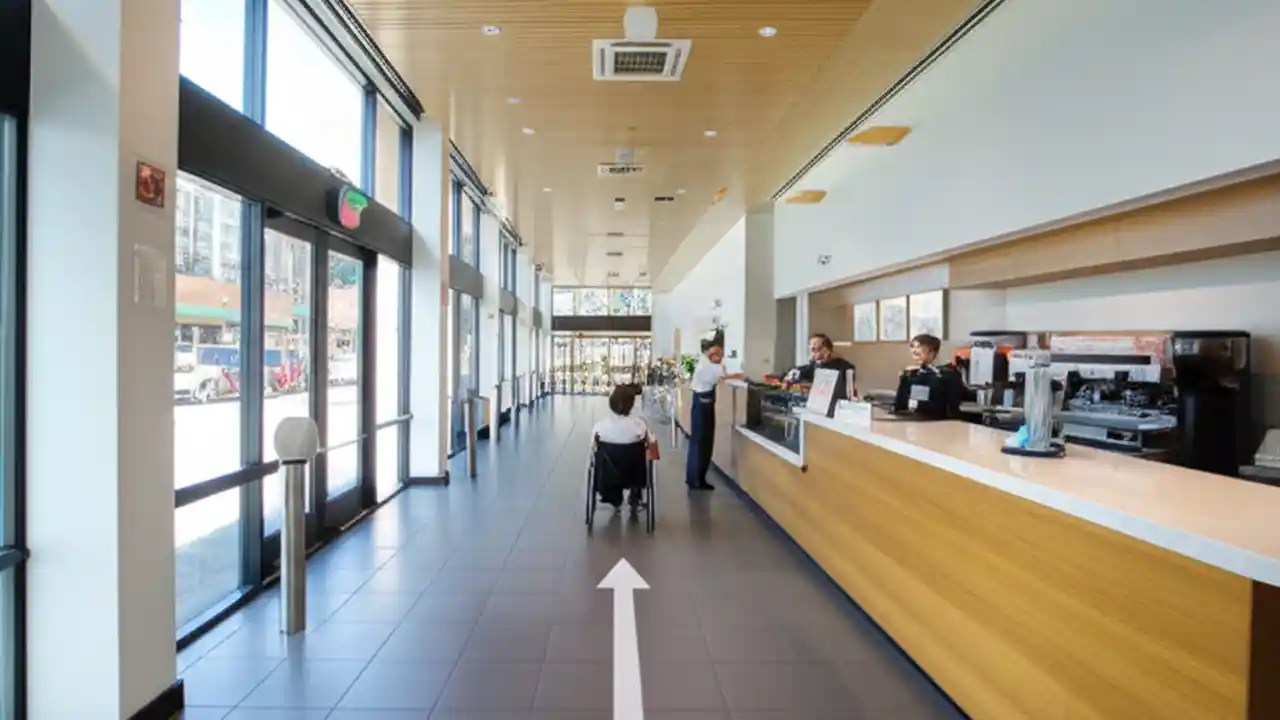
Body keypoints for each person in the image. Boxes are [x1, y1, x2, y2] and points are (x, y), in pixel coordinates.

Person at [686, 339, 745, 490]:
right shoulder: (709, 366)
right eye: (720, 354)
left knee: (697, 443)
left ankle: (693, 478)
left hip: (700, 405)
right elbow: (727, 375)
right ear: (712, 353)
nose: (721, 357)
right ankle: (698, 480)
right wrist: (742, 375)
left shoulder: (704, 363)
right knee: (703, 443)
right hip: (703, 407)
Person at [592, 385, 653, 510]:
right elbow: (650, 444)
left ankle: (613, 495)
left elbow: (593, 447)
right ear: (631, 405)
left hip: (607, 475)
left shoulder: (600, 427)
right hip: (634, 475)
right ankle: (635, 495)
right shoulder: (639, 426)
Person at [894, 333, 965, 418]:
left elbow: (952, 404)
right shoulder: (911, 374)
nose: (914, 350)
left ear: (932, 351)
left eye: (918, 347)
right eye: (912, 347)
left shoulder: (948, 374)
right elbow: (901, 404)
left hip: (939, 421)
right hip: (913, 419)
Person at [785, 333, 857, 405]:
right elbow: (800, 372)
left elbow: (839, 390)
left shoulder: (844, 367)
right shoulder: (814, 366)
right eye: (811, 347)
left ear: (827, 350)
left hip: (836, 406)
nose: (812, 350)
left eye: (816, 348)